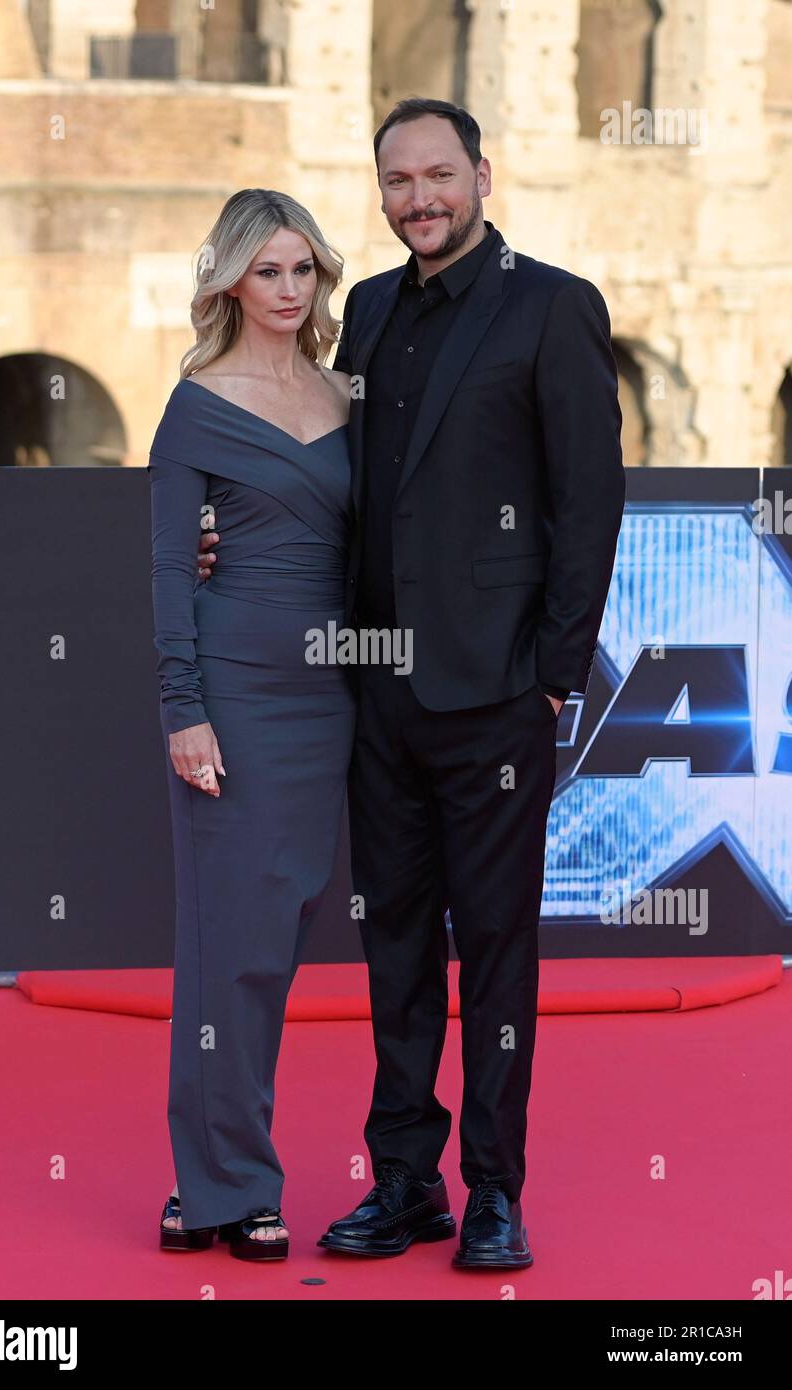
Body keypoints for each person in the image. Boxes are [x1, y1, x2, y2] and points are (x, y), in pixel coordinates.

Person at [198, 99, 626, 1269]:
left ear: (481, 176)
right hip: (375, 692)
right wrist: (220, 532)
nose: (417, 199)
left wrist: (549, 678)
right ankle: (402, 1182)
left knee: (492, 949)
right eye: (397, 182)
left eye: (438, 176)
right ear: (379, 194)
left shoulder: (550, 306)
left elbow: (588, 503)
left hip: (494, 697)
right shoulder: (372, 312)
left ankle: (493, 1192)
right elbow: (329, 475)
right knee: (392, 949)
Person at [149, 188, 355, 1260]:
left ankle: (209, 1179)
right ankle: (229, 1183)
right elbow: (167, 572)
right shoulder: (196, 405)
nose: (287, 290)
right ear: (230, 279)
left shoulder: (345, 395)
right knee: (227, 950)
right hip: (232, 697)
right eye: (266, 270)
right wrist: (184, 712)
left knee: (274, 946)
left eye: (302, 270)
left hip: (338, 700)